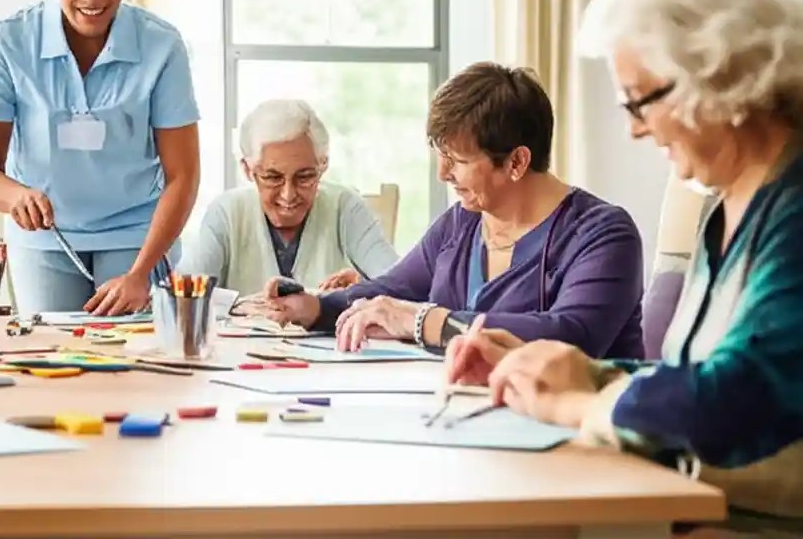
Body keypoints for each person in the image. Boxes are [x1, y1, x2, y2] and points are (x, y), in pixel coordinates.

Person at [447, 0, 803, 529]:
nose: (636, 128)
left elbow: (739, 400)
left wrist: (578, 403)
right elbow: (700, 378)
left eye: (639, 101)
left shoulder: (794, 206)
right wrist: (577, 370)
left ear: (718, 76)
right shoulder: (724, 205)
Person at [269, 63, 646, 357]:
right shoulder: (461, 224)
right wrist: (313, 307)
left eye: (457, 160)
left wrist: (423, 321)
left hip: (576, 439)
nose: (442, 173)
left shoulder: (602, 234)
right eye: (440, 155)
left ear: (516, 162)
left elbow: (570, 336)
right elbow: (391, 292)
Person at [0, 0, 200, 316]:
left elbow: (183, 176)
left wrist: (142, 273)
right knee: (51, 360)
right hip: (46, 239)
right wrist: (16, 197)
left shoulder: (162, 46)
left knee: (134, 362)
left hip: (136, 236)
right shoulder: (9, 42)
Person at [182, 99, 397, 296]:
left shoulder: (345, 207)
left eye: (304, 177)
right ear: (248, 170)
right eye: (272, 177)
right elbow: (184, 293)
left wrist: (364, 287)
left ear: (323, 165)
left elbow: (402, 286)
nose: (288, 195)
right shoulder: (227, 212)